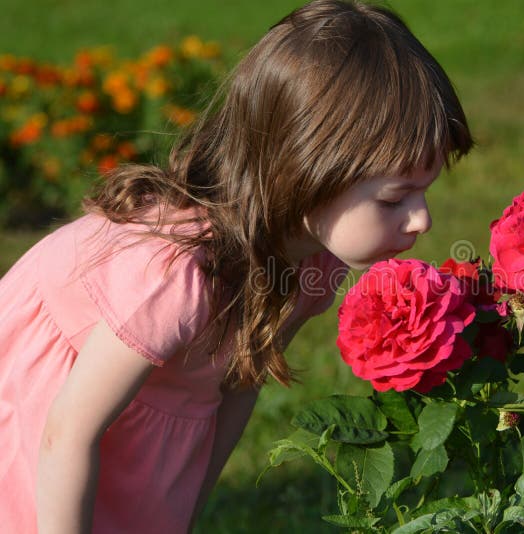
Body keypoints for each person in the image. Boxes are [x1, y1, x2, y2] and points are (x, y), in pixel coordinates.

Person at [0, 1, 473, 532]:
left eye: (424, 194)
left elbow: (241, 380)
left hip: (142, 407)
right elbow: (67, 433)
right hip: (52, 401)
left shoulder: (314, 265)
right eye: (394, 199)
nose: (422, 221)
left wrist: (185, 507)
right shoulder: (174, 273)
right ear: (304, 175)